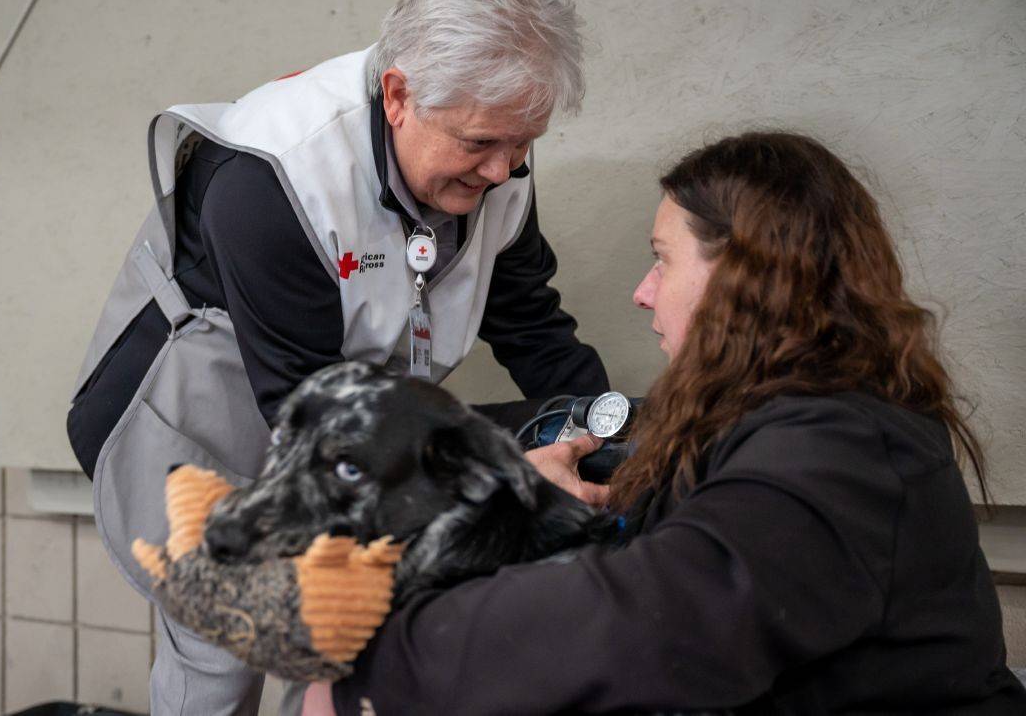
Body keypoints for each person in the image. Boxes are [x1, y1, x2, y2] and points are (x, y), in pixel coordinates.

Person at [305, 132, 1026, 714]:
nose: (643, 294)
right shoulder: (785, 414)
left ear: (744, 276)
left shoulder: (841, 451)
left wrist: (387, 661)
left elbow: (644, 623)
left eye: (661, 261)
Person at [66, 0, 609, 716]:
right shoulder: (271, 175)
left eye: (523, 144)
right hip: (195, 411)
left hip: (338, 413)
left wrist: (612, 427)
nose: (503, 169)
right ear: (398, 96)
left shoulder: (499, 160)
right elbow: (314, 407)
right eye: (482, 142)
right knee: (230, 637)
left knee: (350, 629)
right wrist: (505, 488)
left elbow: (531, 324)